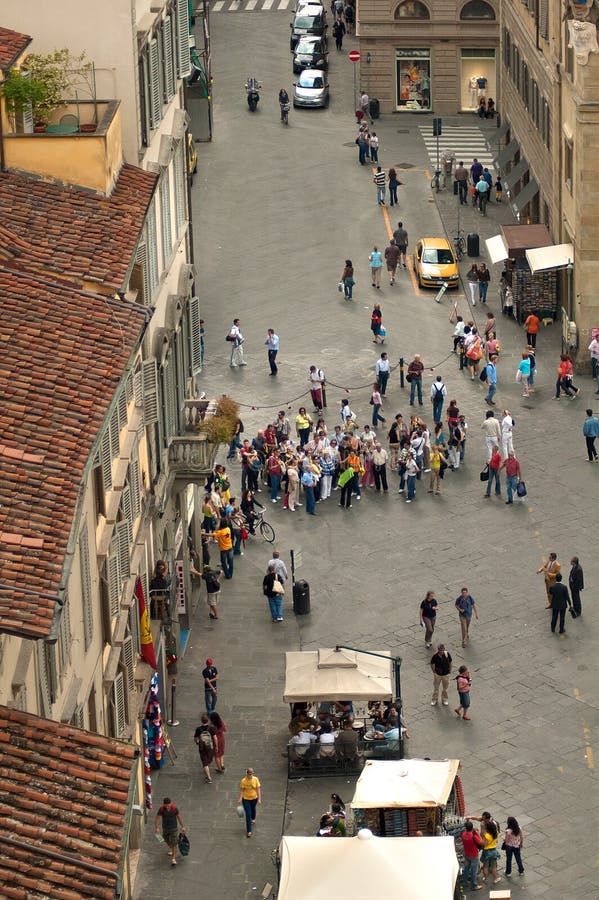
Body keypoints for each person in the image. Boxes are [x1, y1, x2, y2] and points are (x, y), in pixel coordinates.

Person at [155, 797, 185, 866]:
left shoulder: (174, 809)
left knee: (173, 843)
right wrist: (157, 828)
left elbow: (179, 817)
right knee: (164, 839)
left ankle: (173, 858)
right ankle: (172, 849)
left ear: (171, 803)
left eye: (168, 805)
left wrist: (183, 826)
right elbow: (157, 818)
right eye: (166, 805)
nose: (167, 807)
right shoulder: (161, 809)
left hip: (174, 828)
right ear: (164, 804)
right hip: (165, 828)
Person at [460, 821, 483, 891]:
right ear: (472, 828)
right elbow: (481, 842)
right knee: (474, 871)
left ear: (466, 828)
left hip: (466, 854)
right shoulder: (474, 836)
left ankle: (464, 882)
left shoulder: (463, 835)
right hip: (474, 855)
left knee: (466, 869)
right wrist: (478, 834)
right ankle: (474, 885)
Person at [238, 768, 262, 838]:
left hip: (254, 798)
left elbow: (258, 789)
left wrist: (259, 799)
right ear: (247, 774)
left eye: (252, 774)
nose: (251, 776)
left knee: (253, 809)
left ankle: (253, 818)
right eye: (249, 774)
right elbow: (242, 790)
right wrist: (240, 798)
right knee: (248, 814)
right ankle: (249, 831)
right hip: (246, 799)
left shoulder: (255, 779)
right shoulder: (243, 781)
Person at [194, 713, 216, 783]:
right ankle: (207, 767)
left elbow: (195, 738)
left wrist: (197, 742)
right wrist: (216, 746)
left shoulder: (198, 729)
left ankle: (209, 778)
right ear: (208, 720)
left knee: (204, 763)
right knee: (209, 759)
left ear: (201, 721)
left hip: (202, 747)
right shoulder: (211, 728)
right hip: (210, 747)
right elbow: (215, 738)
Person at [480, 818, 502, 885]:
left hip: (487, 852)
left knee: (485, 867)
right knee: (494, 867)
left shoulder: (487, 836)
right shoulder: (496, 833)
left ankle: (485, 878)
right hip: (494, 851)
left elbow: (484, 844)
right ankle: (495, 879)